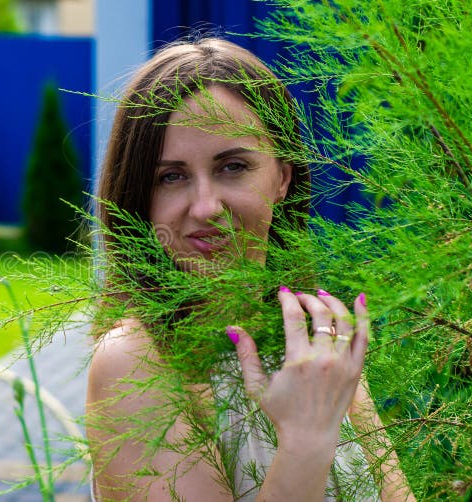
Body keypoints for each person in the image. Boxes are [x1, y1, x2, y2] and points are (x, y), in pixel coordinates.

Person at [86, 38, 416, 501]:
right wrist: (304, 441)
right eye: (171, 177)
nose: (205, 207)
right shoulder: (136, 362)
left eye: (233, 167)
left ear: (282, 177)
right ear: (139, 200)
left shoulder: (311, 330)